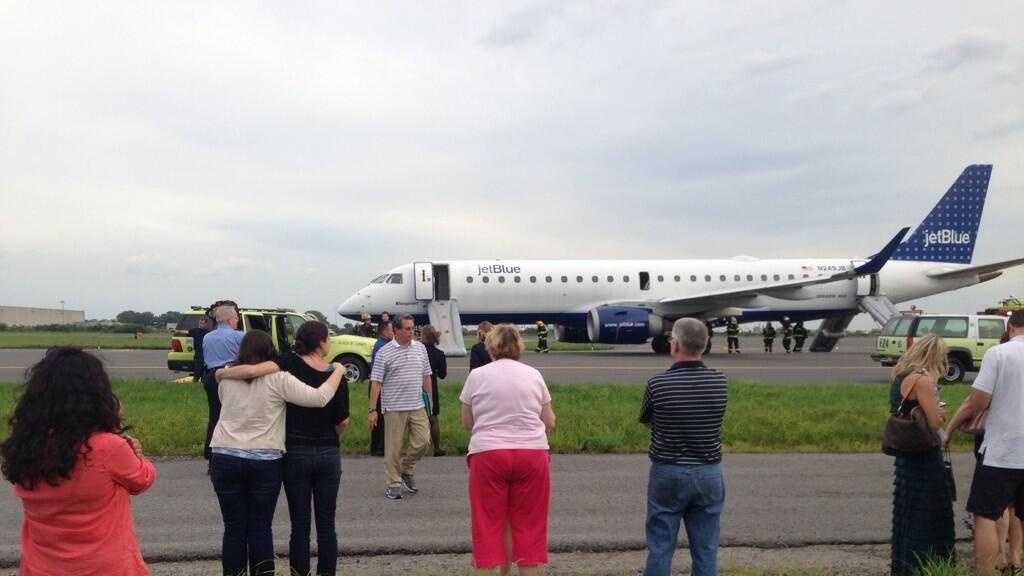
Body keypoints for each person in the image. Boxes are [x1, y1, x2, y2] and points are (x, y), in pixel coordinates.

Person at [1, 347, 157, 576]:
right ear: (97, 395)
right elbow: (142, 479)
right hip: (105, 567)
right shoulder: (108, 447)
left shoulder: (26, 446)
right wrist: (136, 452)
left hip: (41, 566)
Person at [210, 330, 345, 576]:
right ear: (270, 353)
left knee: (233, 527)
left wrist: (222, 372)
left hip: (224, 453)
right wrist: (339, 370)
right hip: (264, 456)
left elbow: (233, 386)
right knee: (261, 525)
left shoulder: (227, 378)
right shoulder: (279, 379)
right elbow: (319, 398)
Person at [460, 324, 556, 574]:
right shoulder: (534, 374)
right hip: (531, 453)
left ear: (491, 347)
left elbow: (467, 422)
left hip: (489, 453)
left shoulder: (477, 376)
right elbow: (549, 421)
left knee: (488, 522)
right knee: (528, 524)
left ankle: (492, 569)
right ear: (519, 347)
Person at [639, 318, 728, 576]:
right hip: (708, 471)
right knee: (706, 546)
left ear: (674, 344)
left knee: (660, 544)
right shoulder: (719, 382)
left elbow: (646, 421)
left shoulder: (657, 384)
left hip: (668, 470)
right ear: (705, 344)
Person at [946, 310, 1024, 576]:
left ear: (1011, 326)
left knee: (986, 515)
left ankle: (987, 571)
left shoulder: (999, 354)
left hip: (1003, 451)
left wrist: (951, 427)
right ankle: (1016, 559)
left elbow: (977, 401)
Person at [279, 321, 351, 576]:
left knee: (299, 524)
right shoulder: (337, 375)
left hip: (296, 448)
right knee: (326, 523)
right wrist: (331, 437)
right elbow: (342, 421)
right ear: (320, 342)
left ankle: (299, 572)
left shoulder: (290, 364)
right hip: (328, 451)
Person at [887, 333, 955, 576]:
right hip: (925, 452)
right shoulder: (923, 380)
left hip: (906, 453)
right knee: (930, 508)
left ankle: (903, 563)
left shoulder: (900, 376)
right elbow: (934, 420)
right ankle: (925, 563)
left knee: (908, 508)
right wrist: (940, 410)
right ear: (934, 355)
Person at [367, 315, 433, 500]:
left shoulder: (420, 349)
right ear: (396, 330)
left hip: (417, 405)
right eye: (407, 328)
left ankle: (406, 469)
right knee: (393, 448)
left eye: (412, 328)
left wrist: (430, 402)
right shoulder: (384, 352)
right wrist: (372, 410)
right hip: (394, 407)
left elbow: (426, 376)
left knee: (423, 442)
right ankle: (393, 483)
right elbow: (376, 382)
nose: (411, 332)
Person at [202, 304, 245, 461]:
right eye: (236, 318)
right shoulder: (239, 336)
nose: (237, 321)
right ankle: (229, 452)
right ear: (230, 319)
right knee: (231, 415)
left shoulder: (208, 337)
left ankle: (210, 452)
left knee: (215, 414)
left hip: (210, 377)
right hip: (229, 376)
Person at [421, 325, 448, 457]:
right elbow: (443, 375)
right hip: (432, 386)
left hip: (415, 385)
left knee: (417, 418)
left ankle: (420, 447)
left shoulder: (417, 351)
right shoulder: (439, 354)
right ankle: (436, 448)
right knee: (433, 418)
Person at [368, 320, 394, 456]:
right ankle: (379, 447)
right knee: (380, 417)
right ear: (384, 331)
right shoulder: (382, 347)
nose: (393, 332)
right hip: (378, 385)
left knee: (380, 417)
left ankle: (377, 447)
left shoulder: (381, 344)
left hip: (378, 384)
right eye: (391, 330)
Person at [188, 314, 212, 382]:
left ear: (206, 324)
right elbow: (185, 333)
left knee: (205, 372)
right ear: (199, 322)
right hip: (198, 353)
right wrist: (176, 332)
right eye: (201, 321)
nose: (202, 323)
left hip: (206, 354)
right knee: (197, 370)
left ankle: (203, 381)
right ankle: (195, 380)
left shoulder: (208, 332)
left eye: (204, 322)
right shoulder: (193, 331)